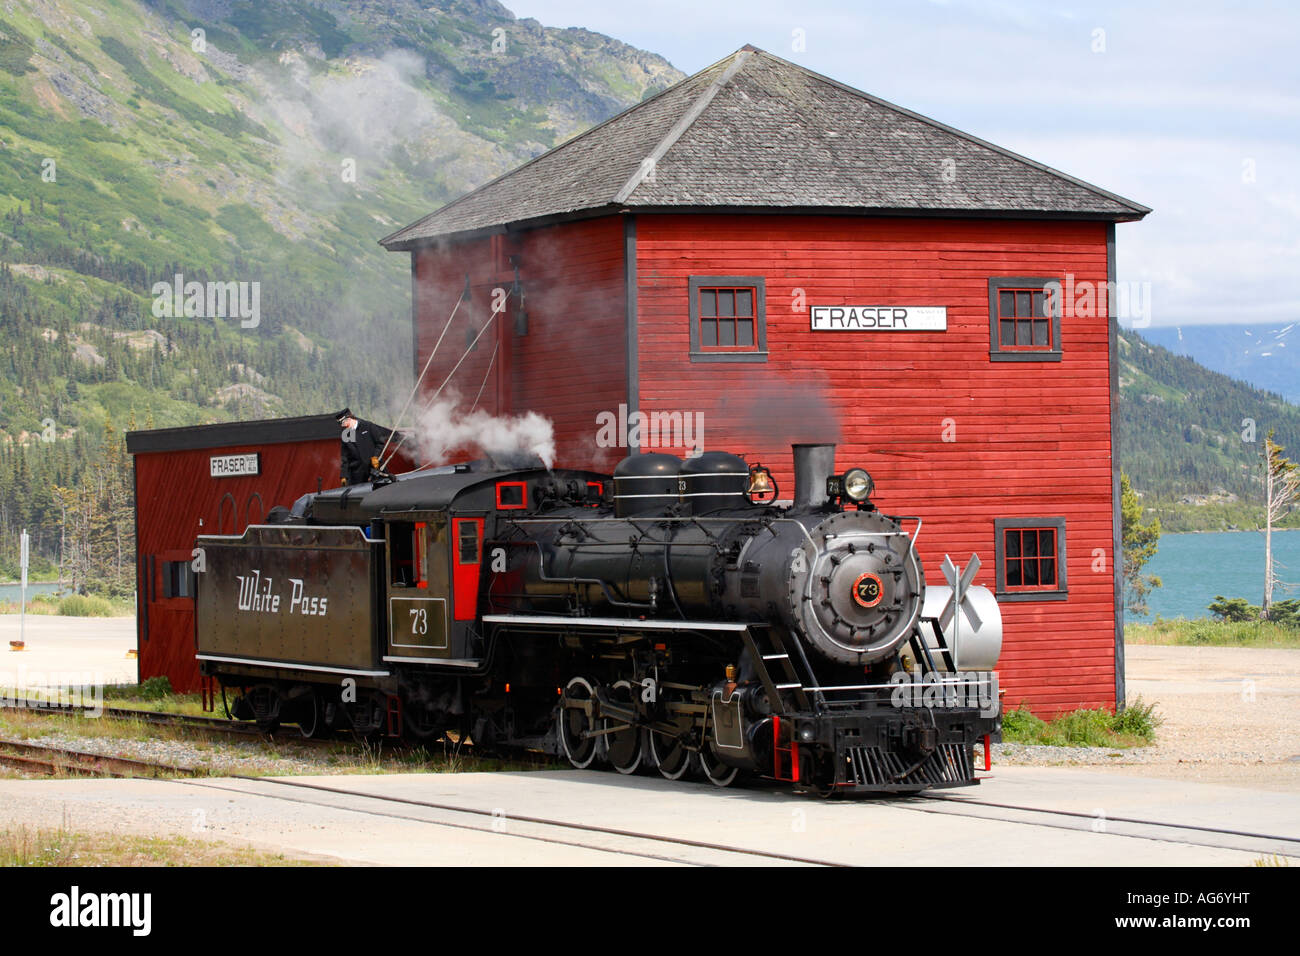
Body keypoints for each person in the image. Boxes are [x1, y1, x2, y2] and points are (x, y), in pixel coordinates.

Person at [337, 408, 395, 485]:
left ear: (349, 418)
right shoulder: (346, 433)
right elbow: (345, 457)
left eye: (343, 423)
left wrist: (375, 456)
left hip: (375, 468)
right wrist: (344, 475)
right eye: (341, 424)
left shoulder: (367, 426)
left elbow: (380, 443)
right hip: (357, 474)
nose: (343, 426)